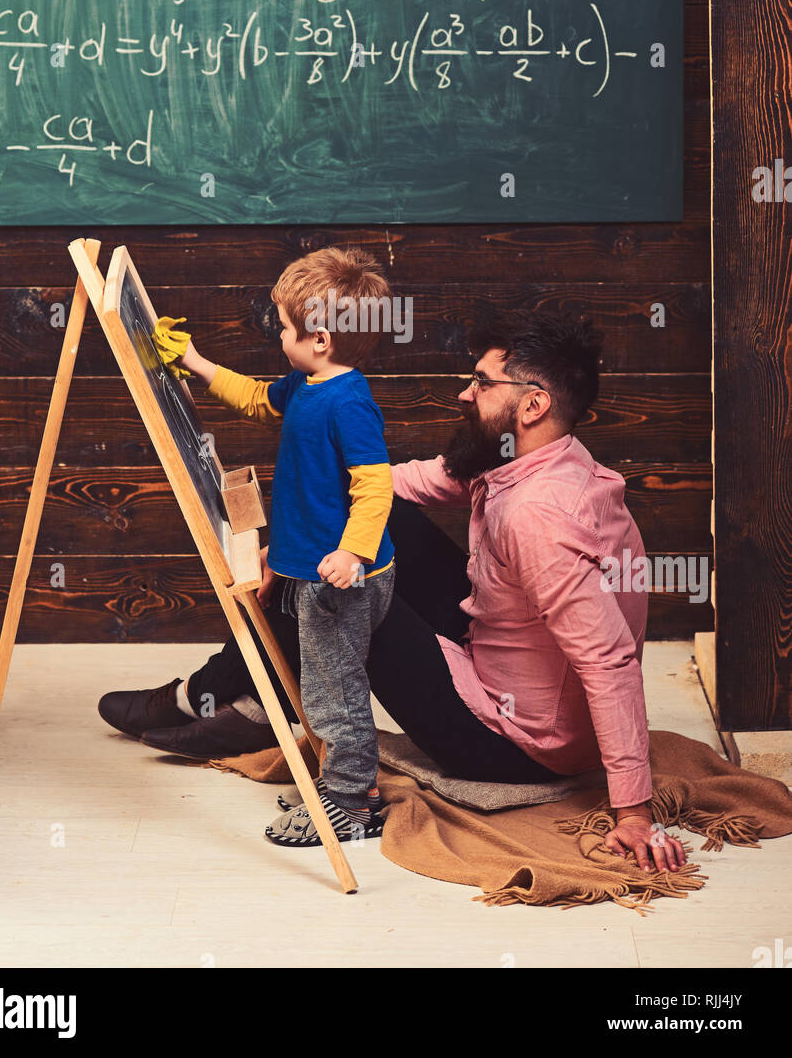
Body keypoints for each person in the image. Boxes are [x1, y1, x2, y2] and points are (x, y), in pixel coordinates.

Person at [99, 307, 685, 875]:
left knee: (336, 586)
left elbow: (608, 660)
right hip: (499, 652)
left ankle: (215, 699)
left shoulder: (540, 516)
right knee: (364, 521)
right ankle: (245, 699)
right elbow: (403, 483)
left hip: (511, 740)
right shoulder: (535, 459)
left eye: (481, 383)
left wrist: (632, 810)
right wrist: (320, 518)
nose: (464, 394)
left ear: (532, 404)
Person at [104, 246, 397, 847]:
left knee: (333, 693)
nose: (279, 336)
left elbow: (376, 487)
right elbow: (259, 398)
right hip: (309, 573)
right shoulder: (309, 384)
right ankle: (336, 777)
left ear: (318, 338)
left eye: (286, 328)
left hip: (338, 579)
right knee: (318, 684)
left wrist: (352, 555)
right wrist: (194, 362)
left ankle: (351, 802)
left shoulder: (350, 403)